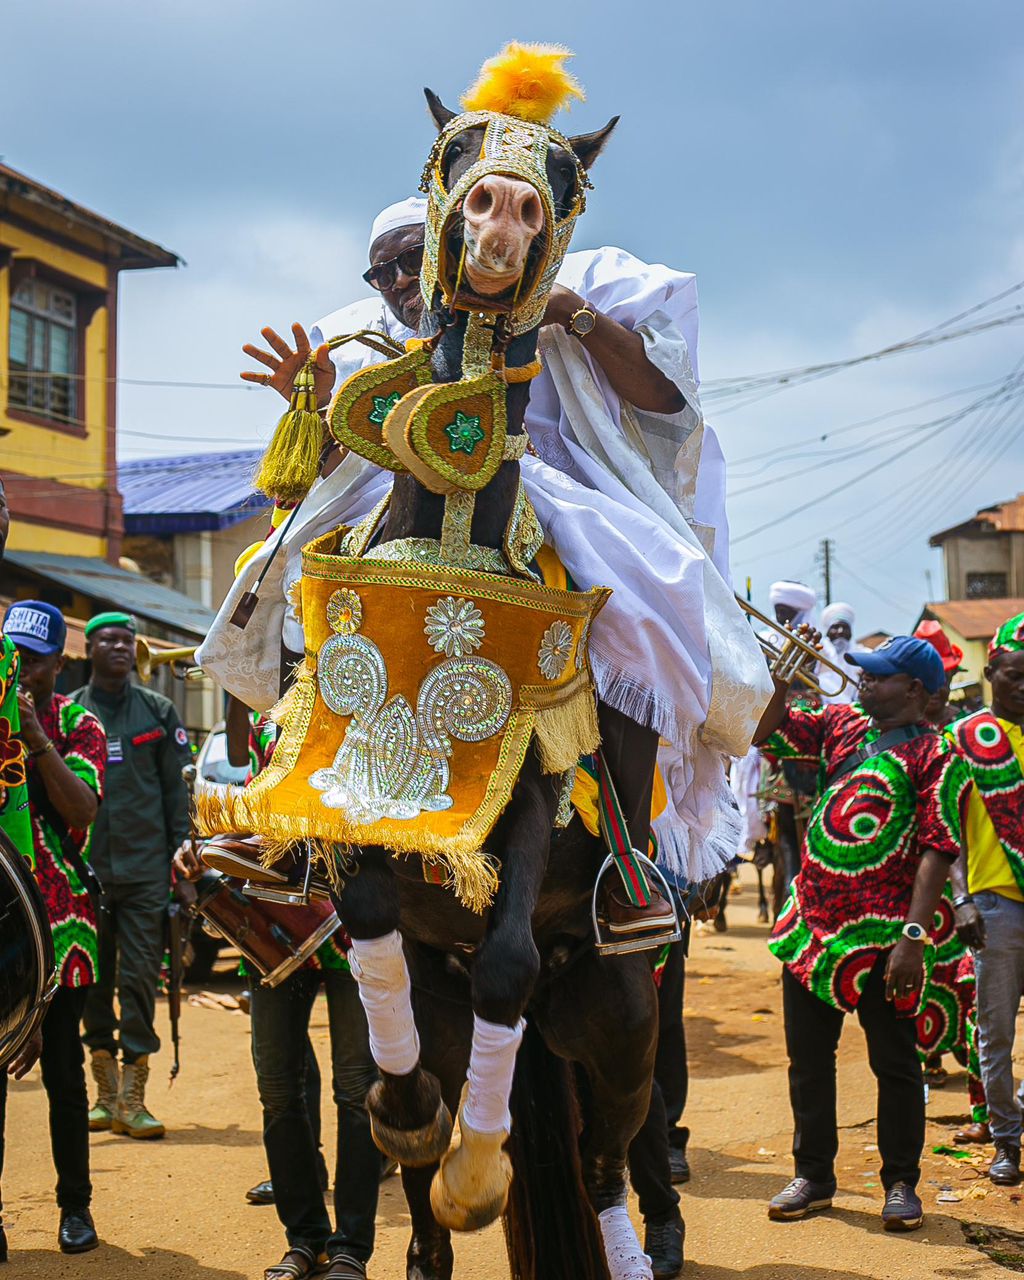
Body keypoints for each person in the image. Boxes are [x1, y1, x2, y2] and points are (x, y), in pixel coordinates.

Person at [201, 197, 772, 924]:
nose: (403, 280)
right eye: (385, 272)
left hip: (547, 493)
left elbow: (667, 404)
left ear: (450, 247)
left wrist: (575, 316)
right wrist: (309, 405)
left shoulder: (563, 295)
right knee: (278, 586)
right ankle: (292, 828)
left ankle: (627, 861)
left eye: (415, 258)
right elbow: (323, 468)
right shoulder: (353, 339)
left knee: (646, 606)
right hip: (394, 494)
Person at [755, 636, 969, 1231]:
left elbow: (937, 850)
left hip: (885, 938)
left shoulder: (937, 754)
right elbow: (763, 731)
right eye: (866, 676)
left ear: (916, 692)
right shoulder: (844, 727)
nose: (865, 684)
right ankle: (814, 1176)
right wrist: (780, 676)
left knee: (895, 1063)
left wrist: (912, 938)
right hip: (815, 930)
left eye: (879, 677)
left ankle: (901, 1183)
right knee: (808, 1060)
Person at [176, 699, 382, 1280]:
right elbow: (258, 811)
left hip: (347, 928)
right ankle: (305, 1240)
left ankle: (350, 1249)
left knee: (354, 1088)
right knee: (277, 1089)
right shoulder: (270, 724)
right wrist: (208, 849)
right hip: (273, 933)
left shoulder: (365, 715)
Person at [0, 601, 106, 1254]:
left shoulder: (77, 724)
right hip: (2, 926)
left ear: (57, 665)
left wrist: (35, 739)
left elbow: (83, 808)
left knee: (65, 1073)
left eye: (35, 662)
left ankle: (76, 1207)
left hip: (64, 926)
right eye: (15, 658)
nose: (22, 672)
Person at [73, 613, 191, 1140]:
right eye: (109, 640)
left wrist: (182, 860)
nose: (120, 647)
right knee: (92, 978)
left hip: (146, 872)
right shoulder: (72, 714)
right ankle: (103, 1092)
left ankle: (134, 1094)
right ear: (89, 648)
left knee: (140, 976)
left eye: (127, 640)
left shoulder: (159, 712)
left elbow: (177, 797)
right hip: (86, 873)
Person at [947, 611, 1024, 1185]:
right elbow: (942, 832)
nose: (1023, 685)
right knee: (995, 1033)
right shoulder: (967, 739)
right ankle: (1006, 1141)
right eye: (1014, 675)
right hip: (995, 907)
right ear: (992, 671)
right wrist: (962, 899)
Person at [818, 602, 859, 706]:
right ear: (827, 631)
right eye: (835, 627)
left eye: (845, 627)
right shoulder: (817, 651)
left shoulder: (862, 653)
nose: (840, 631)